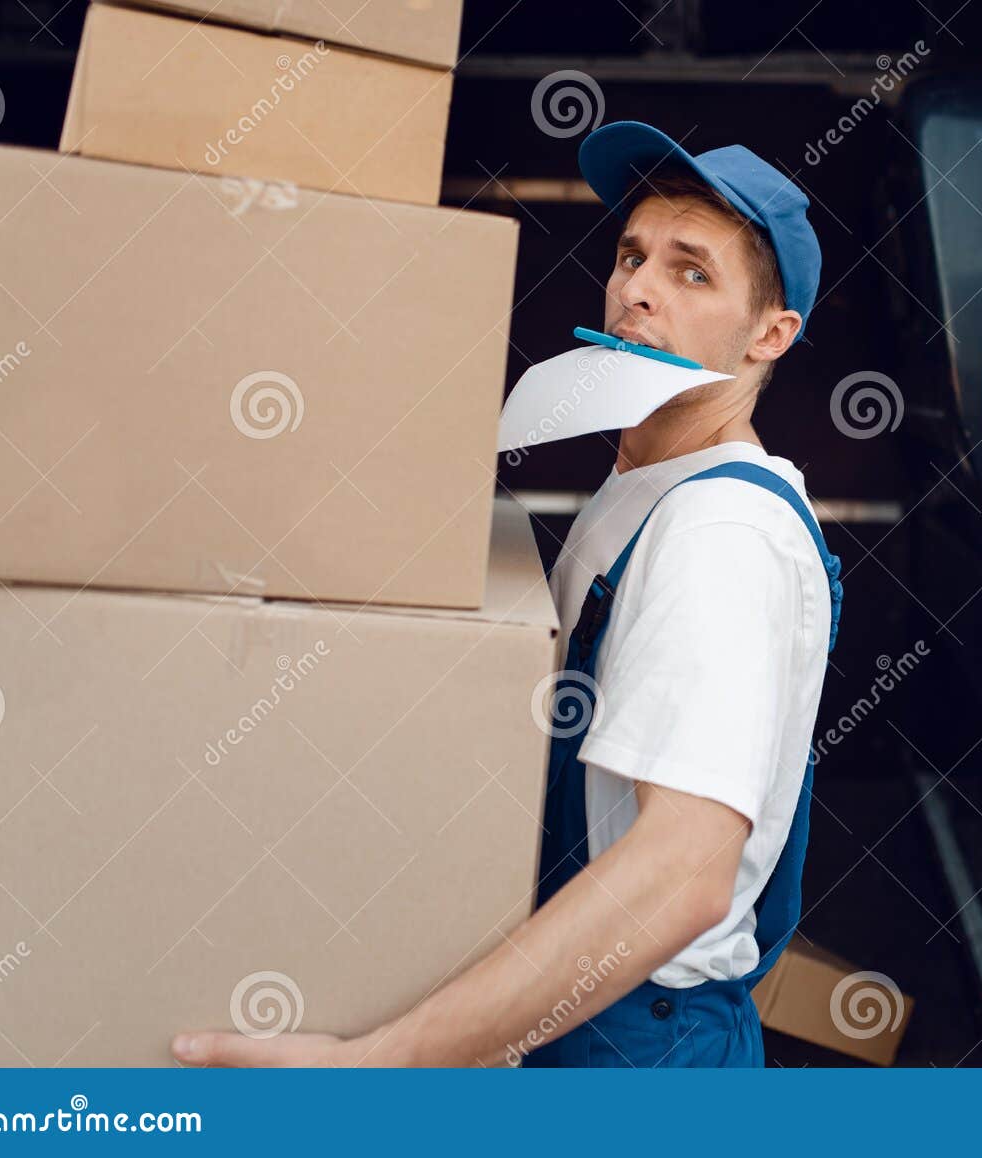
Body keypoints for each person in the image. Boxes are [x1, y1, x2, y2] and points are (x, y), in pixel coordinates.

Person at [170, 120, 840, 1068]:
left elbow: (681, 877)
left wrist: (387, 1067)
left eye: (693, 274)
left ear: (771, 335)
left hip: (641, 1053)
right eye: (631, 256)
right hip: (585, 1011)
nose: (638, 289)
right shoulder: (644, 490)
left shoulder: (722, 532)